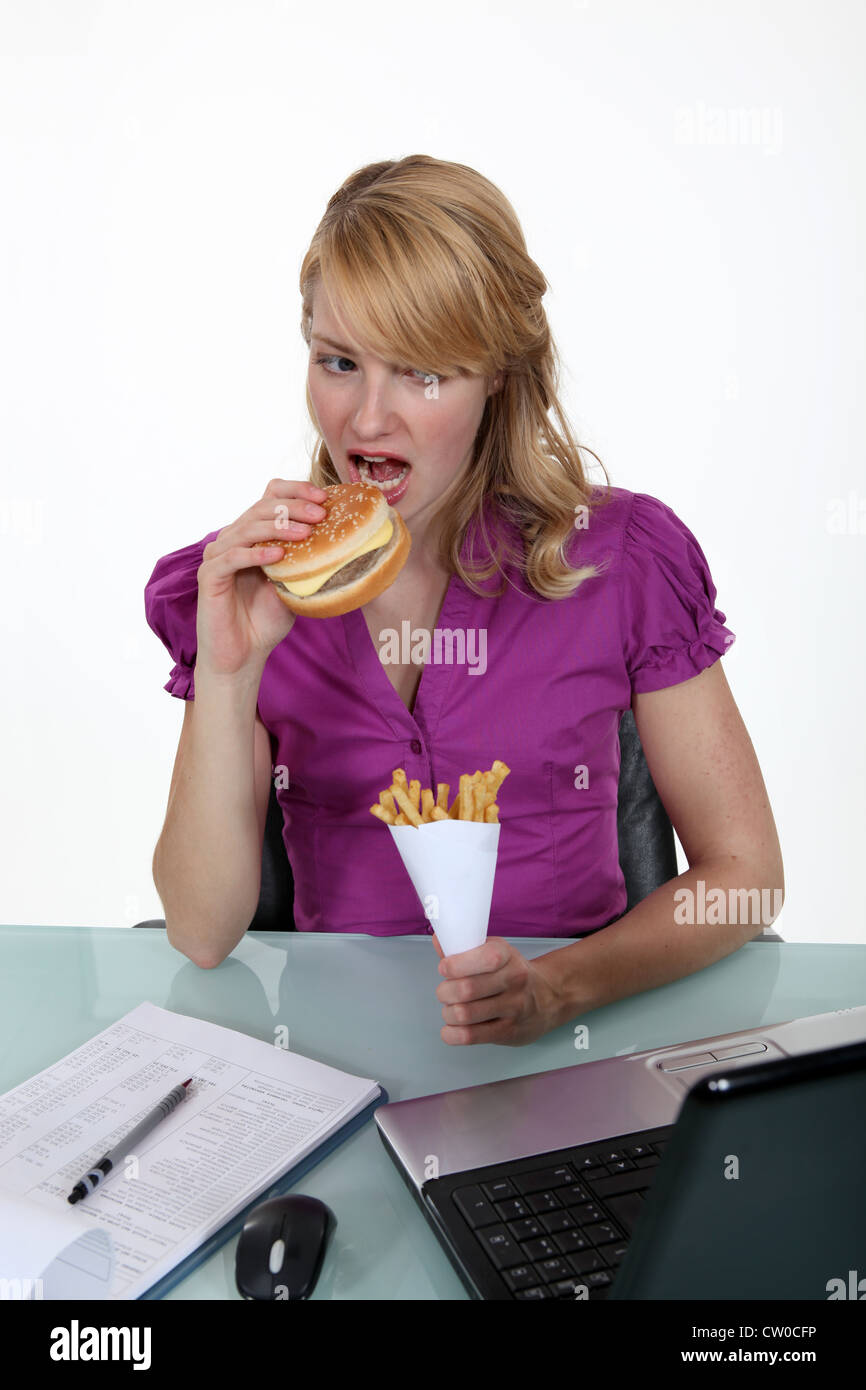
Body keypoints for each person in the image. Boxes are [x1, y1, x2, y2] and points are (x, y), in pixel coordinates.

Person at [146, 154, 784, 1047]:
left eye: (421, 373)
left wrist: (558, 990)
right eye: (338, 362)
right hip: (336, 1068)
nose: (367, 420)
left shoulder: (623, 562)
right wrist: (229, 671)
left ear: (498, 376)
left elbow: (747, 873)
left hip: (575, 1058)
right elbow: (199, 933)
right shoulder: (249, 585)